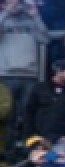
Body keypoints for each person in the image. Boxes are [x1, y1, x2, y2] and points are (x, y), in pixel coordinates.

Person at [0, 0, 49, 139]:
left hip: (29, 75)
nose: (16, 5)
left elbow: (45, 39)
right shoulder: (3, 19)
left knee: (27, 114)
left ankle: (24, 146)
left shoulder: (31, 20)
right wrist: (5, 13)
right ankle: (8, 148)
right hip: (6, 75)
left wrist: (36, 16)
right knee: (7, 114)